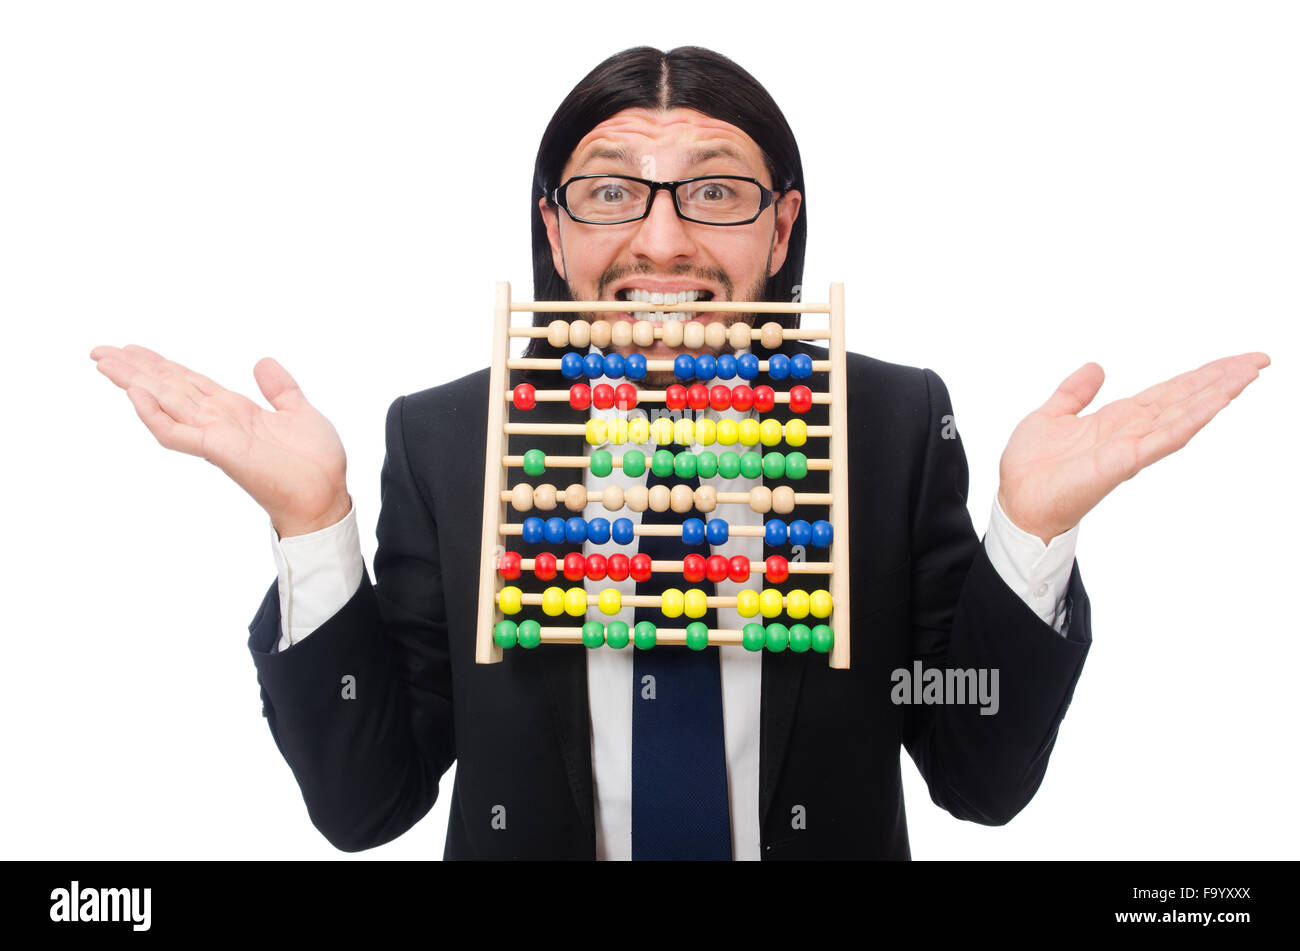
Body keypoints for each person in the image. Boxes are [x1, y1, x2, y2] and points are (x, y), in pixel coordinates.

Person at [88, 46, 1269, 860]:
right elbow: (365, 802)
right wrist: (313, 528)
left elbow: (978, 773)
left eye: (713, 191)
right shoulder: (447, 439)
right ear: (553, 230)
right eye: (610, 194)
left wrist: (1031, 535)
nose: (661, 239)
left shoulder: (893, 423)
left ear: (781, 226)